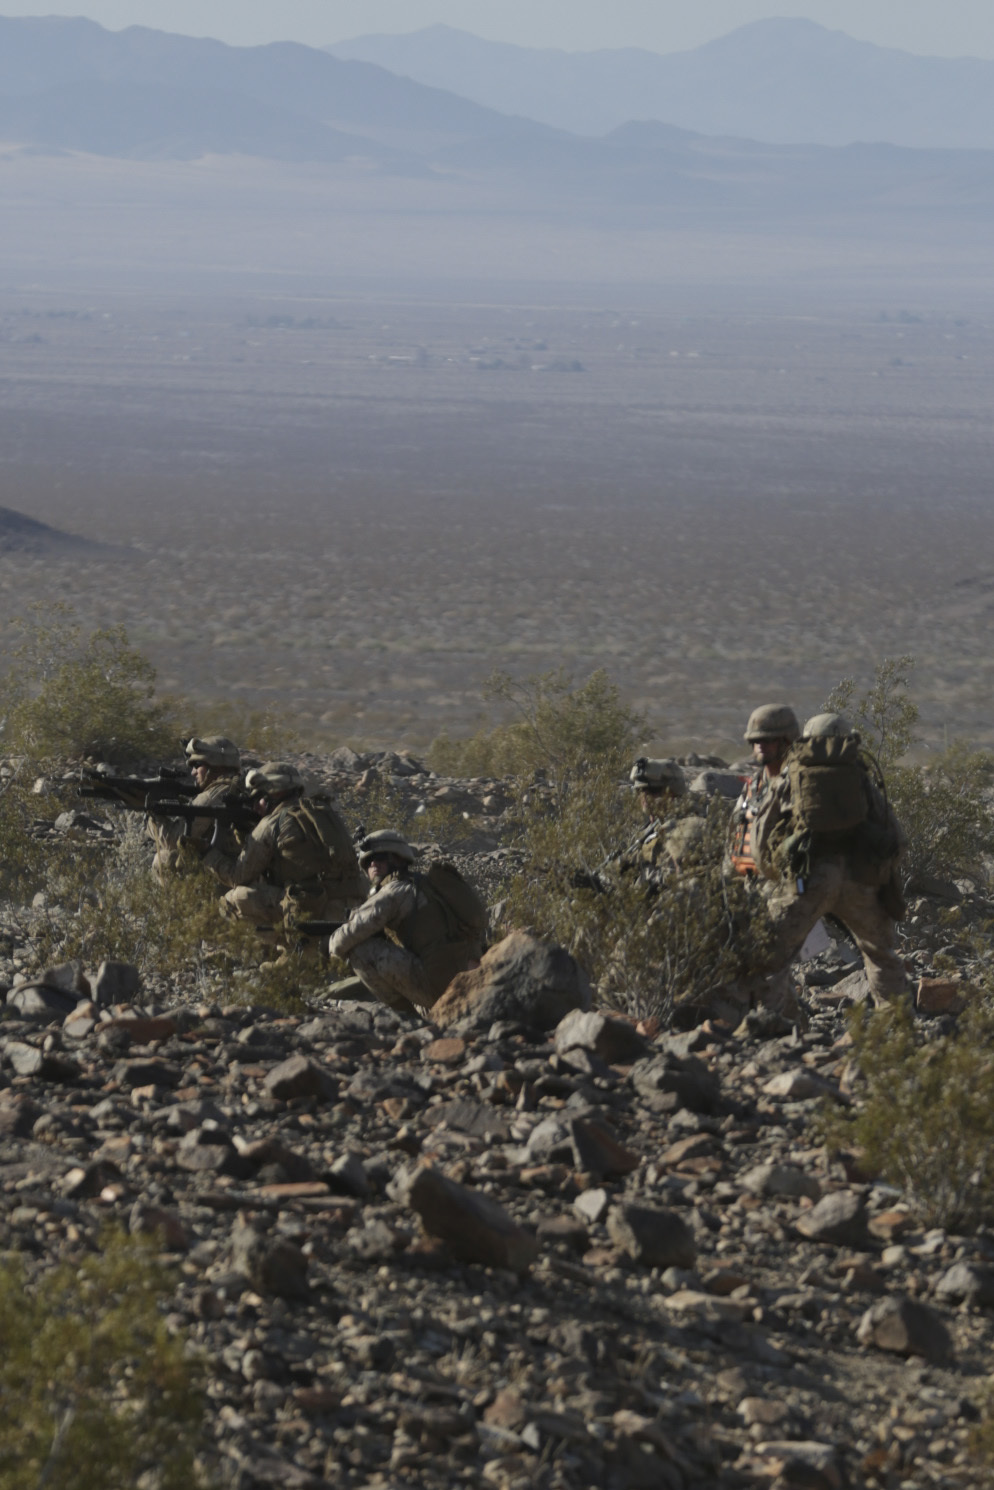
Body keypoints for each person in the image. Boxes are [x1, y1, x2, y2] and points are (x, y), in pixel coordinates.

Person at [751, 712, 908, 1005]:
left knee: (772, 958)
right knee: (881, 957)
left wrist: (781, 875)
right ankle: (897, 1028)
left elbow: (760, 845)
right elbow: (896, 838)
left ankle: (775, 1029)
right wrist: (880, 876)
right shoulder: (860, 775)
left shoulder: (792, 774)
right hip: (860, 881)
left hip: (808, 880)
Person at [327, 829, 485, 1017]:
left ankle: (408, 1018)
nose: (374, 864)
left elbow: (351, 933)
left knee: (361, 949)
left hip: (440, 986)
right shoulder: (426, 886)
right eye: (368, 861)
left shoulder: (396, 889)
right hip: (470, 983)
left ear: (399, 859)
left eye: (380, 857)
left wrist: (331, 948)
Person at [202, 761, 365, 928]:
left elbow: (237, 876)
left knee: (232, 899)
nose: (255, 807)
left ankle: (271, 947)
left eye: (257, 798)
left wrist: (206, 854)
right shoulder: (324, 813)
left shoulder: (272, 823)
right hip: (350, 905)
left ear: (273, 794)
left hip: (309, 909)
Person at [149, 735, 242, 880]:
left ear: (216, 765)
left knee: (163, 858)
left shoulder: (211, 796)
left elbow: (173, 839)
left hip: (224, 877)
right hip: (237, 870)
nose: (193, 772)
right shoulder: (238, 788)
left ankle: (178, 902)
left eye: (197, 765)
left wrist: (151, 816)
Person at [726, 704, 800, 879]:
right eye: (755, 741)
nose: (760, 745)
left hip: (777, 886)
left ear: (786, 741)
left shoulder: (795, 785)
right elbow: (733, 835)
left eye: (768, 740)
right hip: (746, 882)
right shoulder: (754, 785)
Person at [626, 757, 705, 879]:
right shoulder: (652, 827)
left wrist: (637, 869)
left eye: (653, 790)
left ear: (674, 793)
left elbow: (675, 878)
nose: (645, 797)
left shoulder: (690, 826)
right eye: (641, 791)